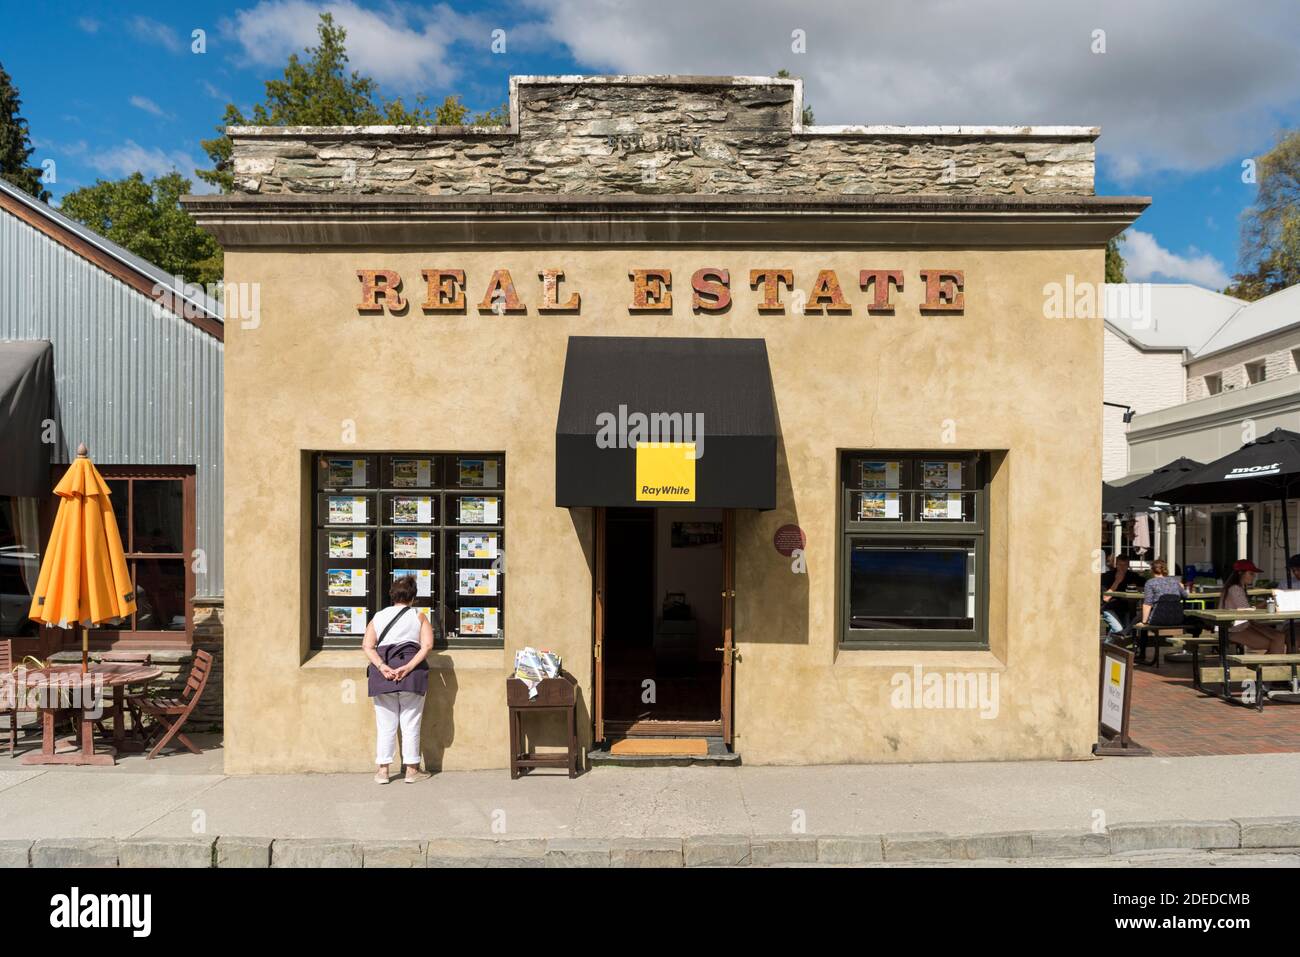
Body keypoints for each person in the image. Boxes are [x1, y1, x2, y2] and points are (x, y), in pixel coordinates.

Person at [364, 575, 436, 784]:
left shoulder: (378, 616)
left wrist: (382, 666)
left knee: (385, 724)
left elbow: (367, 646)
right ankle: (412, 770)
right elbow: (427, 646)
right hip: (411, 675)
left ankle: (383, 771)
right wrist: (408, 667)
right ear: (413, 597)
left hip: (383, 675)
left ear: (392, 595)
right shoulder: (419, 616)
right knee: (411, 722)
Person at [1220, 559, 1285, 655]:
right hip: (1233, 629)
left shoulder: (1237, 588)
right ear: (1240, 573)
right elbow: (1247, 612)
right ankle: (1271, 668)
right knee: (1277, 641)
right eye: (1251, 573)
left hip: (1242, 625)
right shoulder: (1235, 589)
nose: (1254, 576)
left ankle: (1267, 668)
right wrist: (1267, 602)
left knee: (1280, 636)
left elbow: (1247, 613)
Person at [1101, 555, 1145, 630]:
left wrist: (1137, 588)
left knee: (1128, 630)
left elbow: (1146, 586)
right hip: (1109, 608)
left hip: (1127, 608)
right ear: (1116, 565)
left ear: (1128, 565)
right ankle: (1110, 641)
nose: (1122, 567)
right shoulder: (1107, 576)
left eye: (1125, 565)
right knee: (1119, 629)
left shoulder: (1132, 576)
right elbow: (1105, 598)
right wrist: (1117, 581)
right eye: (1120, 565)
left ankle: (1112, 641)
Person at [1140, 559, 1187, 625]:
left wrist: (1144, 622)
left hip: (1159, 618)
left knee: (1140, 616)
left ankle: (1126, 632)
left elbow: (1147, 604)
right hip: (1177, 618)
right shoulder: (1175, 581)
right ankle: (1125, 632)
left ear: (1152, 570)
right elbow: (1185, 595)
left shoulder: (1150, 583)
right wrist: (1182, 588)